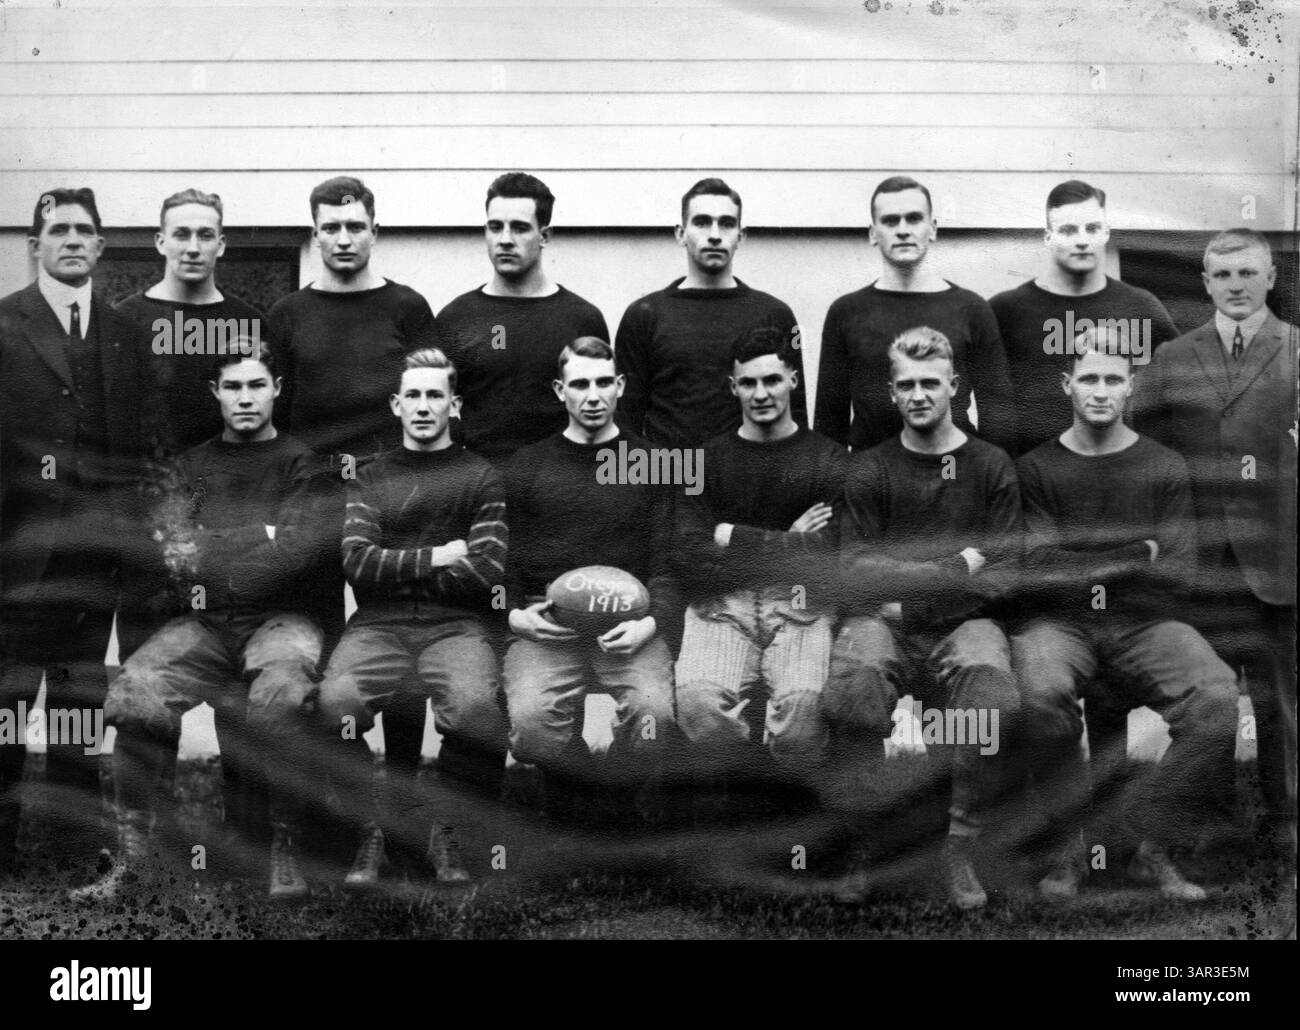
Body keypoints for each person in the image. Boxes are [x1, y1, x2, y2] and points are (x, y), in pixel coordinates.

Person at [73, 343, 337, 902]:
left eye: (256, 385)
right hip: (206, 621)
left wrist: (224, 549)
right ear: (216, 393)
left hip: (282, 619)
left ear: (277, 390)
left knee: (282, 698)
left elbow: (298, 553)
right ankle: (132, 859)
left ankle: (281, 851)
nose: (246, 397)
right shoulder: (191, 468)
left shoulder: (303, 463)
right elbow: (175, 553)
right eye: (234, 387)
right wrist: (258, 535)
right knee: (135, 693)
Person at [1013, 332, 1240, 902]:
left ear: (1131, 387)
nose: (1100, 390)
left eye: (1113, 379)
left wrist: (1087, 568)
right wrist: (1137, 555)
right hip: (1062, 626)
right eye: (1088, 378)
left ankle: (1150, 842)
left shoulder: (1163, 465)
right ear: (1067, 385)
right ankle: (1070, 847)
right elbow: (1038, 569)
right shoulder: (1036, 468)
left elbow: (1180, 573)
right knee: (1040, 692)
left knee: (1216, 697)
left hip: (1144, 623)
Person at [827, 327, 1021, 911]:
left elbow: (1005, 569)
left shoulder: (990, 465)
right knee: (858, 679)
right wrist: (954, 566)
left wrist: (909, 589)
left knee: (986, 682)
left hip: (963, 623)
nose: (918, 395)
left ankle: (957, 845)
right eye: (906, 384)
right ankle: (863, 842)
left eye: (930, 383)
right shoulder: (870, 468)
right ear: (891, 391)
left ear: (954, 386)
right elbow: (856, 567)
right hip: (881, 621)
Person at [1131, 227, 1297, 880]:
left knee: (1283, 699)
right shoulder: (1173, 357)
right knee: (1211, 701)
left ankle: (1288, 825)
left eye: (1247, 274)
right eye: (1222, 276)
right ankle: (1210, 822)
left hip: (1277, 560)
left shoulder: (1296, 351)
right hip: (1201, 562)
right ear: (1204, 283)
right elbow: (1138, 450)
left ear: (1271, 278)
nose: (1235, 286)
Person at [316, 348, 508, 888]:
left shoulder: (480, 476)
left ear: (455, 404)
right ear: (397, 405)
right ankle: (372, 825)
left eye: (435, 396)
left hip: (455, 625)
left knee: (473, 709)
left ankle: (443, 828)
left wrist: (398, 567)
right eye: (414, 397)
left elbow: (487, 571)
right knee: (336, 706)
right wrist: (439, 556)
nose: (424, 407)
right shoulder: (370, 476)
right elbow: (357, 563)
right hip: (379, 625)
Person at [0, 188, 145, 881]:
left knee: (76, 713)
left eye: (84, 230)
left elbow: (136, 450)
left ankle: (68, 852)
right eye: (57, 229)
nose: (71, 240)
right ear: (35, 245)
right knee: (5, 706)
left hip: (93, 565)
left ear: (100, 245)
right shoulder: (4, 325)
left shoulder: (122, 334)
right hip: (16, 563)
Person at [502, 336, 679, 818]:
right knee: (533, 726)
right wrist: (516, 615)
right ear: (560, 391)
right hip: (550, 629)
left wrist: (651, 623)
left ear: (620, 386)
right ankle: (575, 784)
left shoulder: (650, 461)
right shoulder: (528, 464)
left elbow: (669, 561)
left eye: (604, 382)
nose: (593, 395)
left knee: (653, 717)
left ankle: (618, 786)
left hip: (628, 629)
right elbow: (505, 559)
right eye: (580, 384)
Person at [673, 325, 845, 807]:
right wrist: (791, 540)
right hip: (721, 608)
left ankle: (786, 812)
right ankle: (745, 798)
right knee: (700, 706)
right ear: (733, 387)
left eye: (772, 380)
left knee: (803, 712)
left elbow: (832, 553)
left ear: (793, 379)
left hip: (800, 607)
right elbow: (688, 556)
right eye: (748, 383)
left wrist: (735, 537)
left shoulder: (828, 458)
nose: (761, 393)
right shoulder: (706, 459)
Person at [815, 176, 1015, 454]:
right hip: (872, 482)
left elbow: (999, 418)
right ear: (873, 233)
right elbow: (829, 422)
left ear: (932, 229)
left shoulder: (971, 309)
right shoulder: (846, 312)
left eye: (914, 219)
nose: (903, 230)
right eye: (890, 221)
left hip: (951, 472)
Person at [990, 179, 1178, 456]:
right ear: (1048, 237)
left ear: (1106, 233)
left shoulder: (1141, 306)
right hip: (1035, 481)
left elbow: (1180, 389)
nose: (1082, 240)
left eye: (1092, 228)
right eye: (1068, 230)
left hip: (1122, 473)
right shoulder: (1006, 311)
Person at [616, 178, 804, 448]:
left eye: (727, 223)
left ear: (741, 235)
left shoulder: (779, 315)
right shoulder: (642, 316)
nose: (715, 234)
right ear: (680, 233)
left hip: (750, 478)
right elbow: (626, 421)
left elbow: (796, 412)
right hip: (671, 477)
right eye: (702, 222)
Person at [437, 173, 609, 465]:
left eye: (519, 228)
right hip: (482, 488)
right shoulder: (456, 318)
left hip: (559, 483)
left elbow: (601, 415)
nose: (505, 240)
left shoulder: (581, 319)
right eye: (495, 227)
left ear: (544, 236)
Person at [266, 176, 439, 460]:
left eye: (355, 227)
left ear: (374, 232)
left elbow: (431, 399)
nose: (343, 240)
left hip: (391, 479)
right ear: (315, 236)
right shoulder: (287, 313)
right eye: (331, 228)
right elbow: (276, 411)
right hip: (312, 479)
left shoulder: (408, 307)